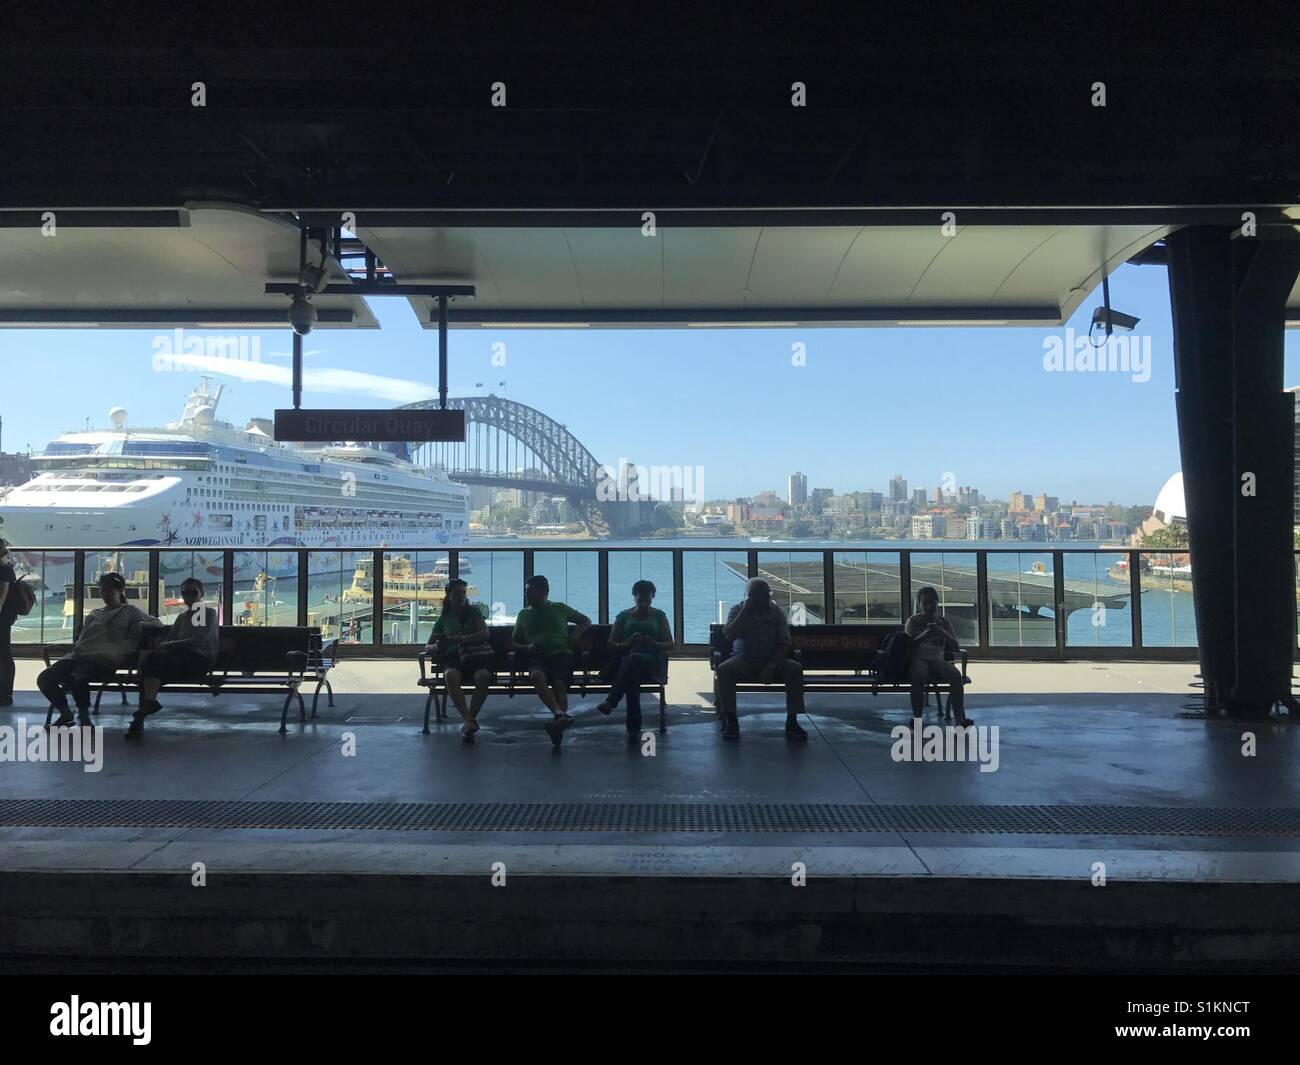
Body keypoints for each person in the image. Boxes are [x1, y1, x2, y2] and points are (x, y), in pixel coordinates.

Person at [37, 572, 163, 727]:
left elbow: (157, 624)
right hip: (79, 656)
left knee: (78, 676)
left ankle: (83, 717)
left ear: (119, 591)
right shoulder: (94, 614)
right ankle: (65, 712)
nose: (105, 595)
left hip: (104, 659)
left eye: (109, 591)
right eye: (103, 591)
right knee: (44, 678)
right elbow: (82, 639)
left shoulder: (130, 611)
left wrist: (140, 625)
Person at [125, 577, 220, 738]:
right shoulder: (182, 617)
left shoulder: (205, 612)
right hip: (182, 661)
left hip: (198, 660)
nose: (189, 596)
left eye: (193, 592)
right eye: (185, 593)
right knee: (150, 668)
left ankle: (143, 713)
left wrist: (168, 645)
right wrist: (166, 644)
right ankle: (146, 705)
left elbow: (198, 640)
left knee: (150, 666)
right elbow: (173, 639)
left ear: (201, 594)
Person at [716, 578, 806, 741]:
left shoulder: (776, 612)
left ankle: (792, 721)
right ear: (750, 597)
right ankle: (731, 720)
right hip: (744, 660)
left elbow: (784, 643)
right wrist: (745, 611)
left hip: (773, 660)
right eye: (760, 596)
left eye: (766, 595)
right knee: (724, 670)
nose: (765, 599)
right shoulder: (737, 610)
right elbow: (729, 635)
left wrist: (771, 666)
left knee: (794, 668)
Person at [512, 575, 590, 746]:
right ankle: (559, 715)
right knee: (536, 676)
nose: (526, 595)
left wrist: (576, 635)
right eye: (526, 591)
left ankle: (558, 722)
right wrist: (527, 647)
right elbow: (514, 641)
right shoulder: (524, 614)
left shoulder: (559, 608)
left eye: (529, 591)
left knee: (559, 685)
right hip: (537, 657)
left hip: (562, 654)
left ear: (543, 592)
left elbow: (585, 620)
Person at [594, 580, 674, 739]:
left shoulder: (659, 615)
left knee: (632, 660)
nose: (644, 602)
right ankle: (633, 727)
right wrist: (628, 643)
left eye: (647, 599)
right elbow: (611, 644)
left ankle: (612, 701)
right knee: (632, 672)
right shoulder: (623, 616)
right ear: (634, 597)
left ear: (653, 597)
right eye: (641, 599)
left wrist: (654, 643)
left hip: (651, 659)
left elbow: (670, 643)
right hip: (629, 660)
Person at [428, 578, 494, 742]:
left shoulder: (473, 613)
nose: (462, 596)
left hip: (474, 656)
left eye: (464, 592)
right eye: (457, 593)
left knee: (483, 677)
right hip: (453, 657)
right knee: (450, 675)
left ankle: (469, 720)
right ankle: (469, 720)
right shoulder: (444, 619)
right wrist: (437, 646)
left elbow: (485, 633)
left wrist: (463, 638)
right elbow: (427, 646)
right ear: (449, 596)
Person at [904, 586, 972, 726]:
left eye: (932, 603)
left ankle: (958, 718)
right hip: (919, 658)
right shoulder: (913, 621)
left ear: (937, 602)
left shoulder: (943, 623)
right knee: (919, 676)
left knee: (955, 676)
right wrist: (925, 634)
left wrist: (943, 633)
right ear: (920, 604)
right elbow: (909, 645)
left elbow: (955, 645)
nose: (929, 607)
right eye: (925, 604)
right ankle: (917, 717)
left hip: (936, 659)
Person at [0, 539, 18, 707]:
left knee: (4, 654)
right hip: (6, 615)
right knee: (4, 654)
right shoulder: (7, 568)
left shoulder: (4, 569)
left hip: (2, 617)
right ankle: (5, 692)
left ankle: (5, 693)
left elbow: (2, 596)